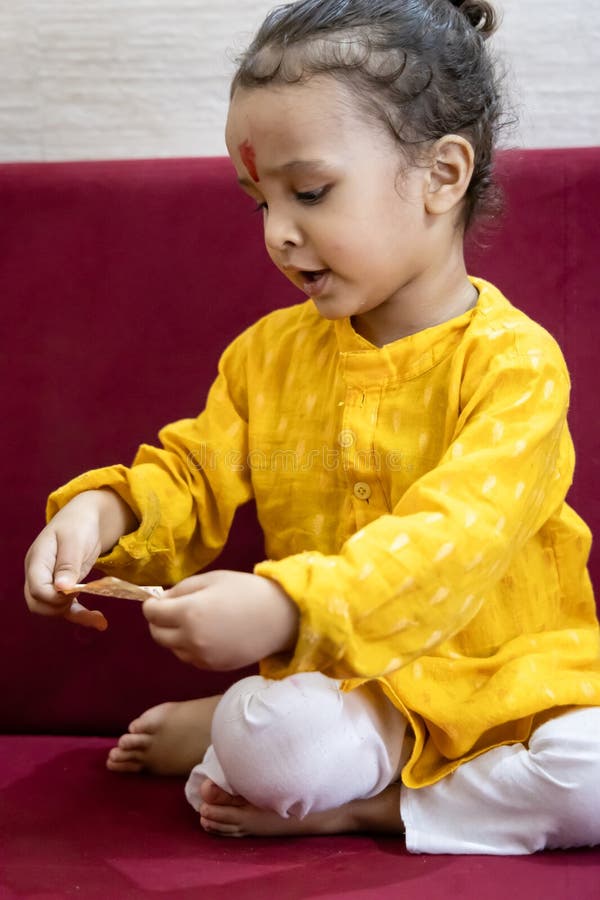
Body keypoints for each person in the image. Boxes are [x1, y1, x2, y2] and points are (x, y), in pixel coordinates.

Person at [24, 0, 600, 854]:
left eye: (310, 193)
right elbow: (191, 473)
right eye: (259, 202)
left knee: (592, 781)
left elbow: (453, 540)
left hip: (513, 687)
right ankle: (257, 734)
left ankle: (377, 809)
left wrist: (289, 608)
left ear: (442, 175)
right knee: (276, 743)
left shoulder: (515, 365)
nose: (279, 234)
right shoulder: (268, 357)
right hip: (349, 692)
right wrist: (104, 515)